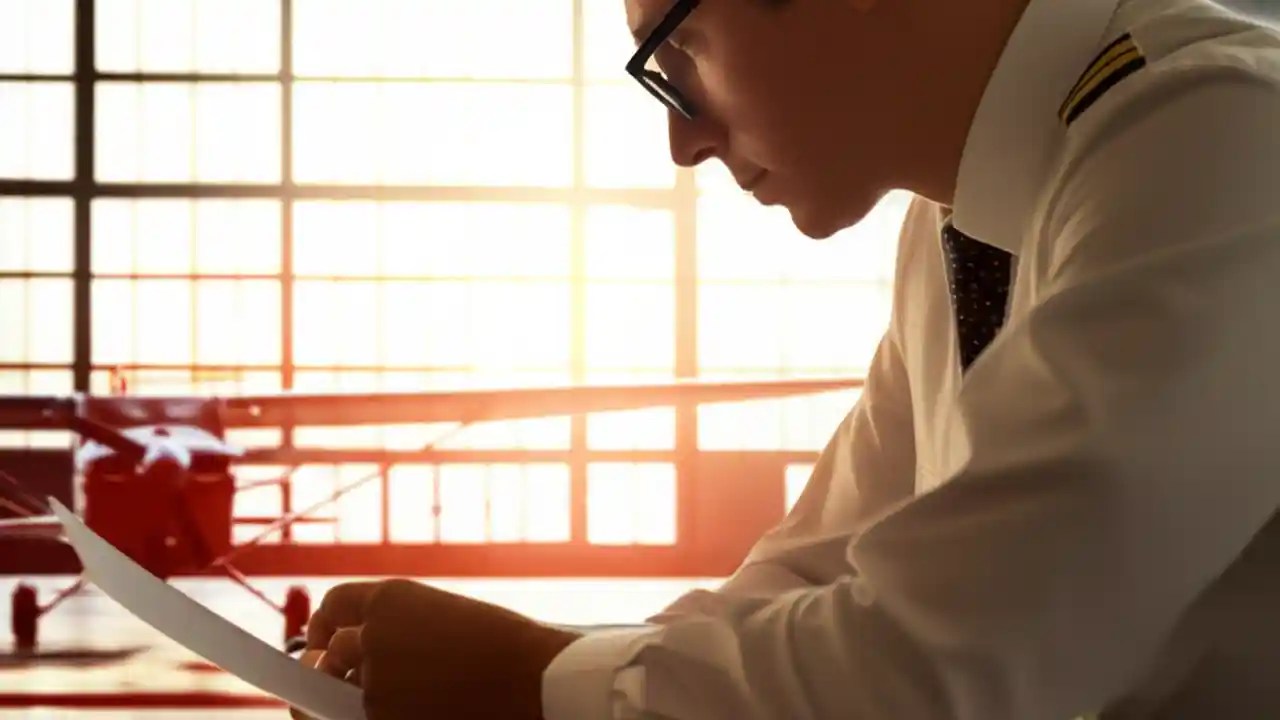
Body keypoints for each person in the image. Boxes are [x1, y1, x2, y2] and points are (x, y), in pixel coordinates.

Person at [293, 0, 1280, 717]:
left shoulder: (1218, 129)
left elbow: (965, 660)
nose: (681, 141)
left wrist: (532, 681)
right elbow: (817, 574)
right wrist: (508, 662)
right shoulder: (956, 231)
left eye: (675, 51)